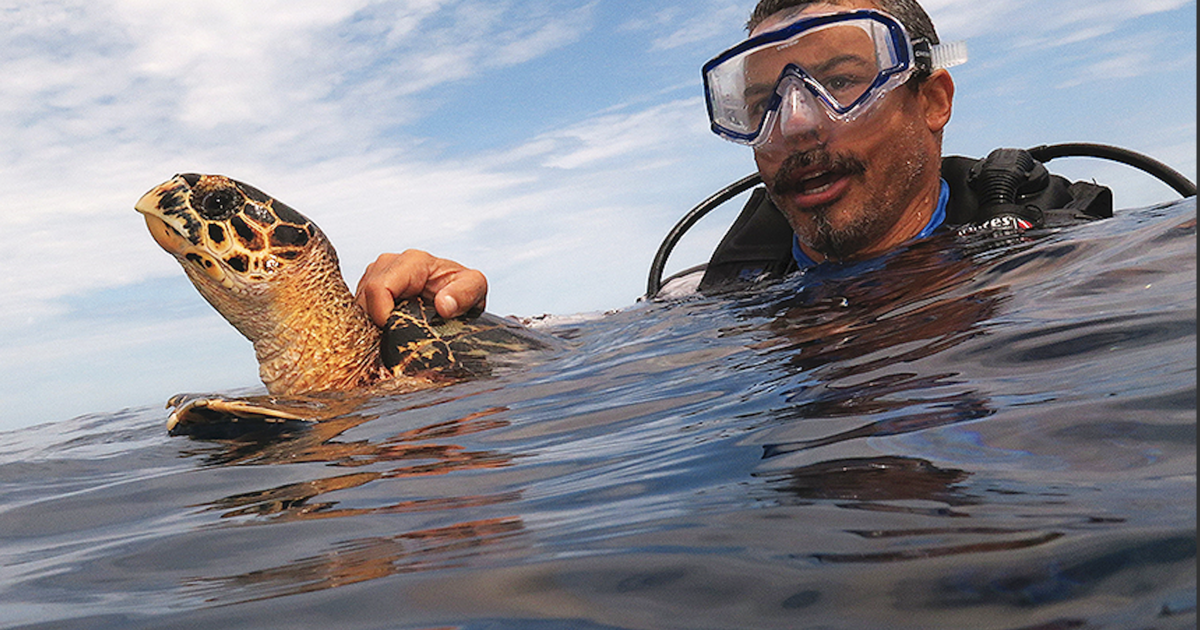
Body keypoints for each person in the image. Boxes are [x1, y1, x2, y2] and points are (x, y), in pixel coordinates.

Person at [355, 0, 1111, 323]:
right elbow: (577, 355)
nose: (798, 128)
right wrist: (467, 327)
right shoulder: (712, 301)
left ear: (933, 98)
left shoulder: (1065, 261)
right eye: (761, 107)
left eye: (842, 81)